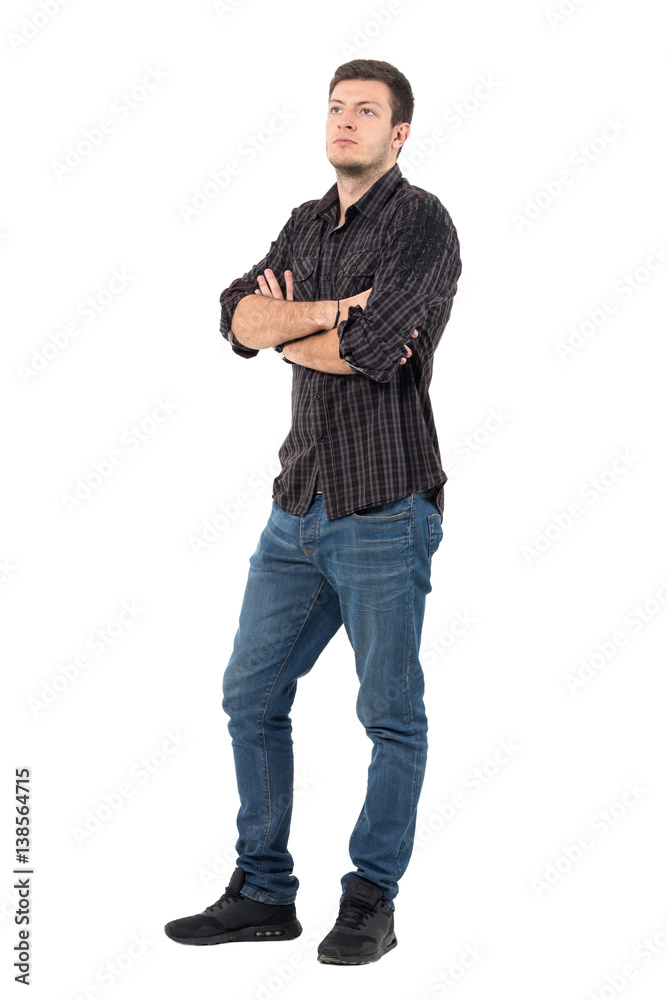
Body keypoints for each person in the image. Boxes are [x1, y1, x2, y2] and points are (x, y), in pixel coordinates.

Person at [165, 58, 462, 966]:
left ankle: (372, 897)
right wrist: (323, 315)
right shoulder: (305, 224)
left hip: (384, 507)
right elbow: (231, 316)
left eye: (365, 111)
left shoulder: (422, 224)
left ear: (398, 133)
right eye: (336, 108)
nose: (344, 122)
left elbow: (373, 355)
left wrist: (294, 327)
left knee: (389, 714)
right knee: (249, 695)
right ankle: (262, 891)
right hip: (296, 506)